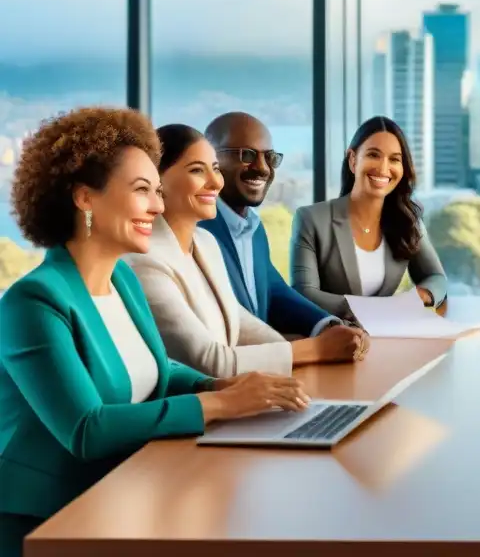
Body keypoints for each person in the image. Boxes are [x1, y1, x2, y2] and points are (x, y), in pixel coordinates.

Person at [0, 108, 309, 557]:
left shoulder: (122, 280)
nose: (159, 207)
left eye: (158, 192)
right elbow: (87, 429)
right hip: (49, 522)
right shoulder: (32, 302)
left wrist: (224, 384)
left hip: (124, 490)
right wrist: (220, 403)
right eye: (142, 190)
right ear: (85, 197)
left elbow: (159, 371)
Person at [126, 125, 367, 379]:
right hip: (196, 408)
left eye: (215, 169)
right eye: (197, 170)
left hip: (239, 394)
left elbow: (240, 322)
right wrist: (316, 349)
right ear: (156, 180)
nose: (215, 181)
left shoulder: (205, 242)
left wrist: (296, 357)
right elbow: (209, 362)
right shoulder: (144, 260)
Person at [199, 112, 349, 337]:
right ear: (211, 159)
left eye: (270, 157)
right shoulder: (196, 230)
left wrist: (328, 326)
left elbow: (274, 290)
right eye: (247, 155)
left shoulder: (254, 229)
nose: (263, 168)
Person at [291, 116, 447, 318]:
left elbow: (436, 278)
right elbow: (304, 294)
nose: (383, 168)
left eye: (394, 159)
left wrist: (420, 296)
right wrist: (374, 309)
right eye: (374, 155)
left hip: (388, 337)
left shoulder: (407, 221)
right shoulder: (310, 219)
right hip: (334, 339)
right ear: (353, 160)